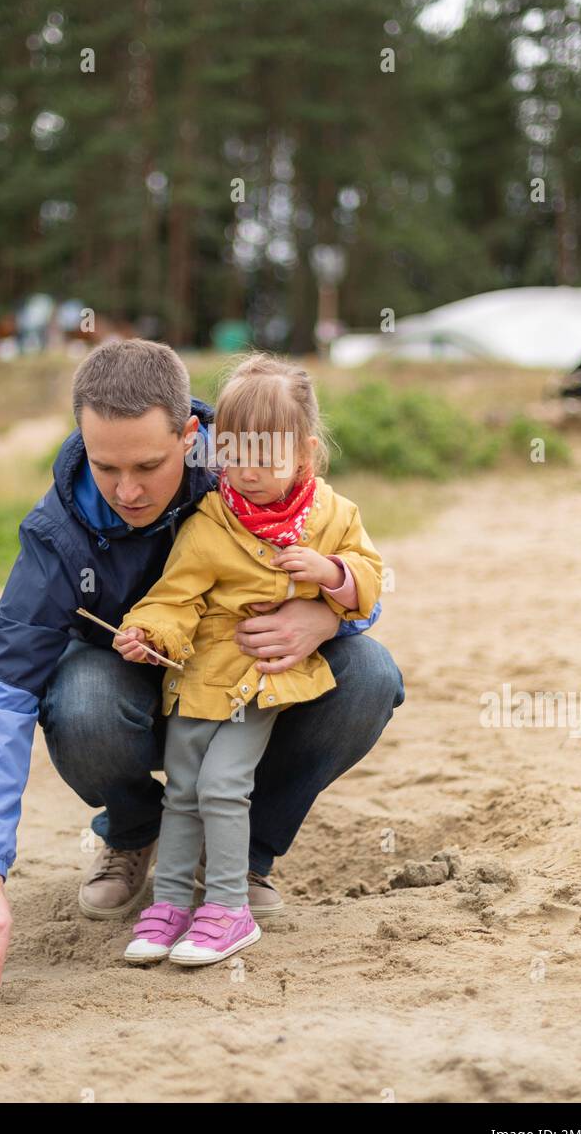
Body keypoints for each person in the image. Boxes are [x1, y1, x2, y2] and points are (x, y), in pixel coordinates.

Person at [0, 339, 405, 992]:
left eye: (149, 465)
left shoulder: (247, 461)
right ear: (82, 438)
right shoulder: (55, 534)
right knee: (81, 699)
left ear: (192, 437)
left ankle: (240, 859)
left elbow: (360, 568)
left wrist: (330, 614)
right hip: (129, 693)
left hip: (247, 683)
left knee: (371, 675)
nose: (128, 490)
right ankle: (134, 835)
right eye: (107, 467)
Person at [115, 353, 386, 967]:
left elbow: (371, 578)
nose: (248, 471)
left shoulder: (332, 517)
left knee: (222, 783)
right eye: (234, 453)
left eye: (268, 458)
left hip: (256, 684)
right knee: (182, 790)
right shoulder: (210, 520)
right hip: (195, 682)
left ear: (305, 455)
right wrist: (149, 632)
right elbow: (174, 596)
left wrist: (331, 574)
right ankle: (172, 902)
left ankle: (231, 906)